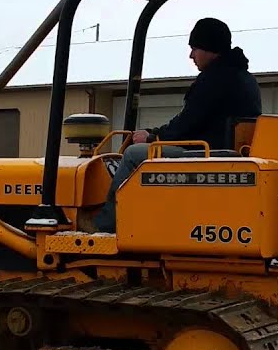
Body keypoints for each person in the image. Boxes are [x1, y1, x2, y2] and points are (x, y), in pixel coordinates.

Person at [94, 17, 262, 232]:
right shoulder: (245, 79)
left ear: (210, 48)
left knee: (133, 154)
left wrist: (152, 137)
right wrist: (157, 134)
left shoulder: (214, 79)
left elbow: (186, 123)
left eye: (195, 49)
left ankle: (105, 227)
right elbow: (196, 122)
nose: (191, 56)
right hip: (225, 152)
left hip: (207, 155)